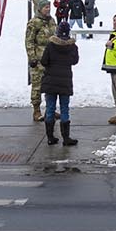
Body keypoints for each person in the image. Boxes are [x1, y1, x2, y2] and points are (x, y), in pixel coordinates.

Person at [41, 18, 80, 146]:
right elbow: (75, 61)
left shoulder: (51, 45)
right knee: (64, 109)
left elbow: (44, 61)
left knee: (50, 108)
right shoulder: (72, 46)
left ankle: (50, 137)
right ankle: (66, 138)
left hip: (50, 81)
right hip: (65, 82)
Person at [24, 0, 56, 123]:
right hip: (39, 59)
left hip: (52, 59)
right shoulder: (34, 23)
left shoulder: (51, 21)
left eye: (49, 7)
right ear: (40, 9)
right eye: (45, 7)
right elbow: (29, 41)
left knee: (51, 85)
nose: (48, 9)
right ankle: (36, 110)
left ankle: (50, 109)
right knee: (37, 85)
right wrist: (32, 57)